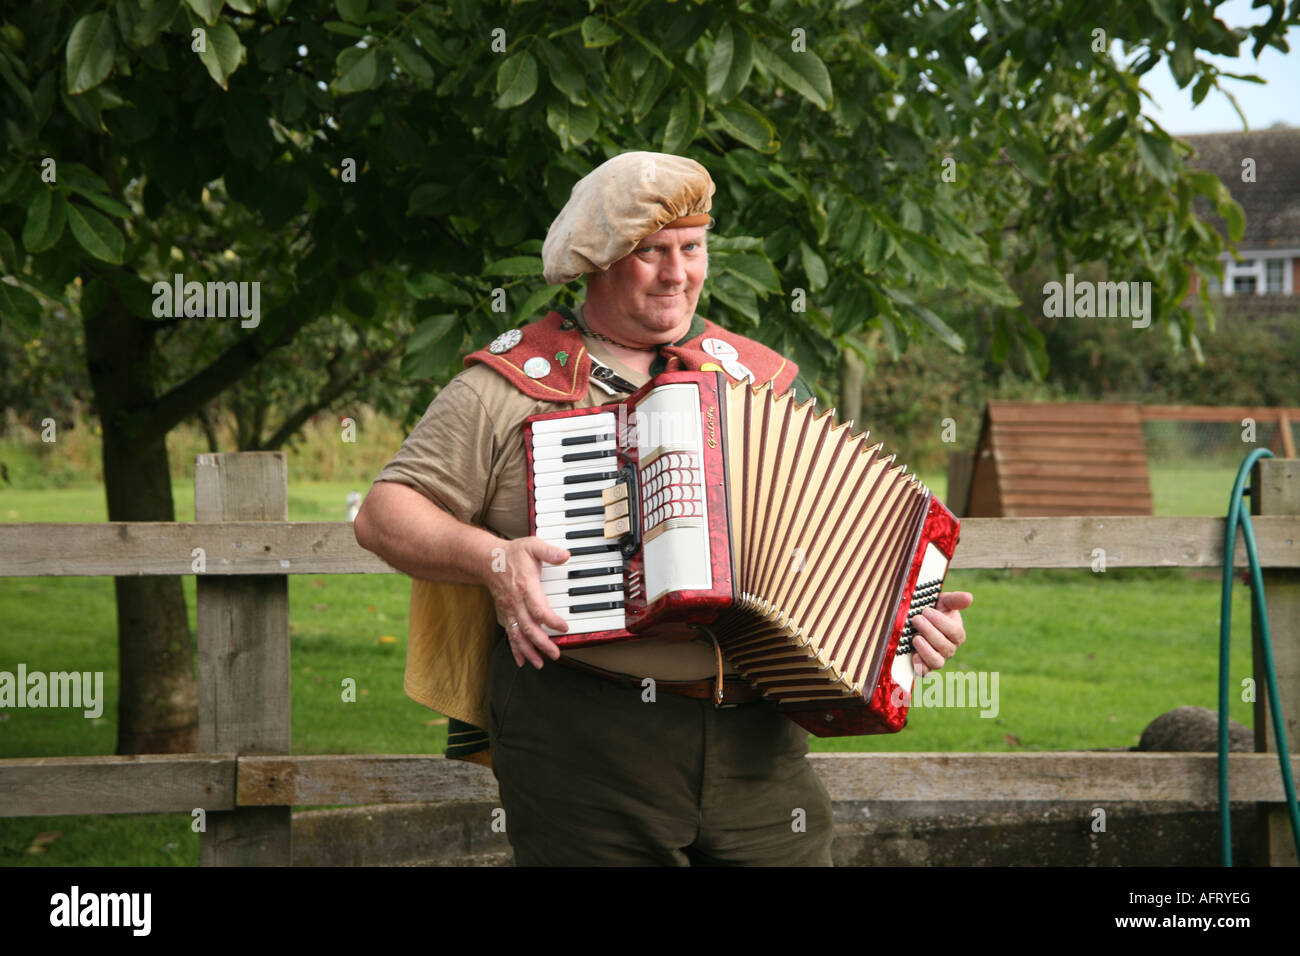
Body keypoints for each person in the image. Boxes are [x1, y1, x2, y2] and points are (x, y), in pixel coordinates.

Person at [354, 150, 973, 865]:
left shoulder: (759, 380)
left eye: (692, 248)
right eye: (650, 253)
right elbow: (384, 513)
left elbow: (836, 542)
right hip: (588, 738)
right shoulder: (509, 384)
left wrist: (909, 623)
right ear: (597, 261)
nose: (678, 273)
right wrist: (493, 558)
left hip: (762, 745)